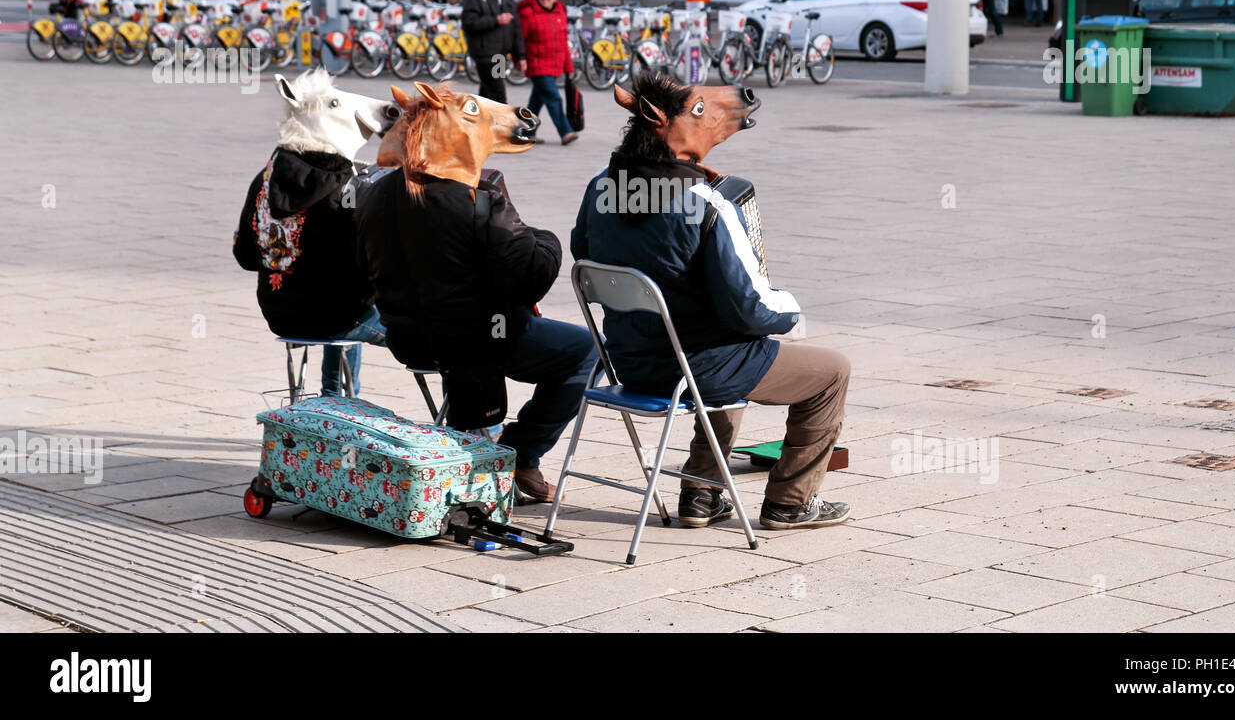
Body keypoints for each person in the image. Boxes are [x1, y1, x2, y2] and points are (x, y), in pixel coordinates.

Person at [571, 75, 852, 531]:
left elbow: (582, 252)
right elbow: (753, 309)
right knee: (830, 369)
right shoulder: (707, 203)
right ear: (663, 124)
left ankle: (702, 494)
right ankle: (790, 502)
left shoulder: (600, 187)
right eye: (696, 111)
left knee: (724, 345)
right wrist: (791, 311)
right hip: (693, 370)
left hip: (627, 364)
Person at [354, 84, 597, 501]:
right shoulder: (477, 202)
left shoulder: (374, 194)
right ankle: (522, 451)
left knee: (456, 324)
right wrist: (544, 236)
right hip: (480, 342)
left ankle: (486, 440)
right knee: (589, 351)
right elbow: (533, 274)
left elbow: (363, 272)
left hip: (409, 341)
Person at [233, 70, 396, 398]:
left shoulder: (263, 181)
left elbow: (246, 257)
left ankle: (333, 401)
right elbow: (367, 263)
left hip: (279, 313)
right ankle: (483, 427)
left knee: (343, 298)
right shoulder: (345, 187)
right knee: (439, 335)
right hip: (333, 316)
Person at [517, 0, 577, 146]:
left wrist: (568, 68)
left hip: (554, 65)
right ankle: (565, 131)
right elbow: (519, 39)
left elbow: (564, 43)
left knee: (536, 101)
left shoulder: (559, 12)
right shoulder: (528, 13)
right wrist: (519, 58)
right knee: (553, 97)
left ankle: (526, 133)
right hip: (536, 63)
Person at [462, 0, 526, 104]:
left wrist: (520, 55)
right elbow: (469, 23)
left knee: (486, 96)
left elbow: (515, 28)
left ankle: (477, 125)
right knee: (498, 97)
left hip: (500, 54)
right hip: (485, 53)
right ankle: (501, 126)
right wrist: (496, 20)